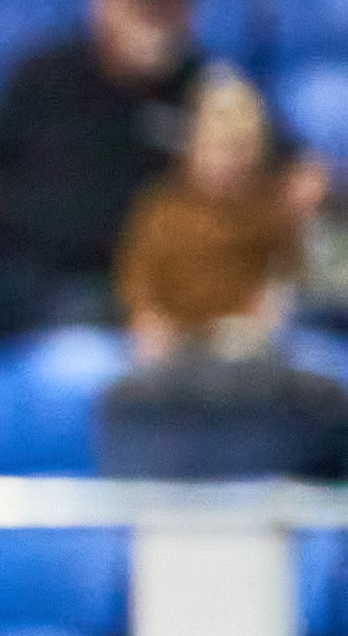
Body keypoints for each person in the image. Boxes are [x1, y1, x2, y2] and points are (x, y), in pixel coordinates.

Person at [0, 0, 324, 340]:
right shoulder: (44, 73)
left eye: (170, 1)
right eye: (143, 1)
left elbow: (300, 172)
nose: (156, 17)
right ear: (103, 1)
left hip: (131, 288)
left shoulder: (208, 86)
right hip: (22, 275)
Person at [97, 69, 348, 478]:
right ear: (193, 144)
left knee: (320, 388)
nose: (230, 158)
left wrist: (275, 307)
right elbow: (137, 280)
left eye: (242, 146)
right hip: (176, 348)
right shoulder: (160, 209)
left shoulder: (273, 210)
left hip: (253, 349)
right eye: (219, 144)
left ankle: (305, 496)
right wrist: (149, 320)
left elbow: (298, 275)